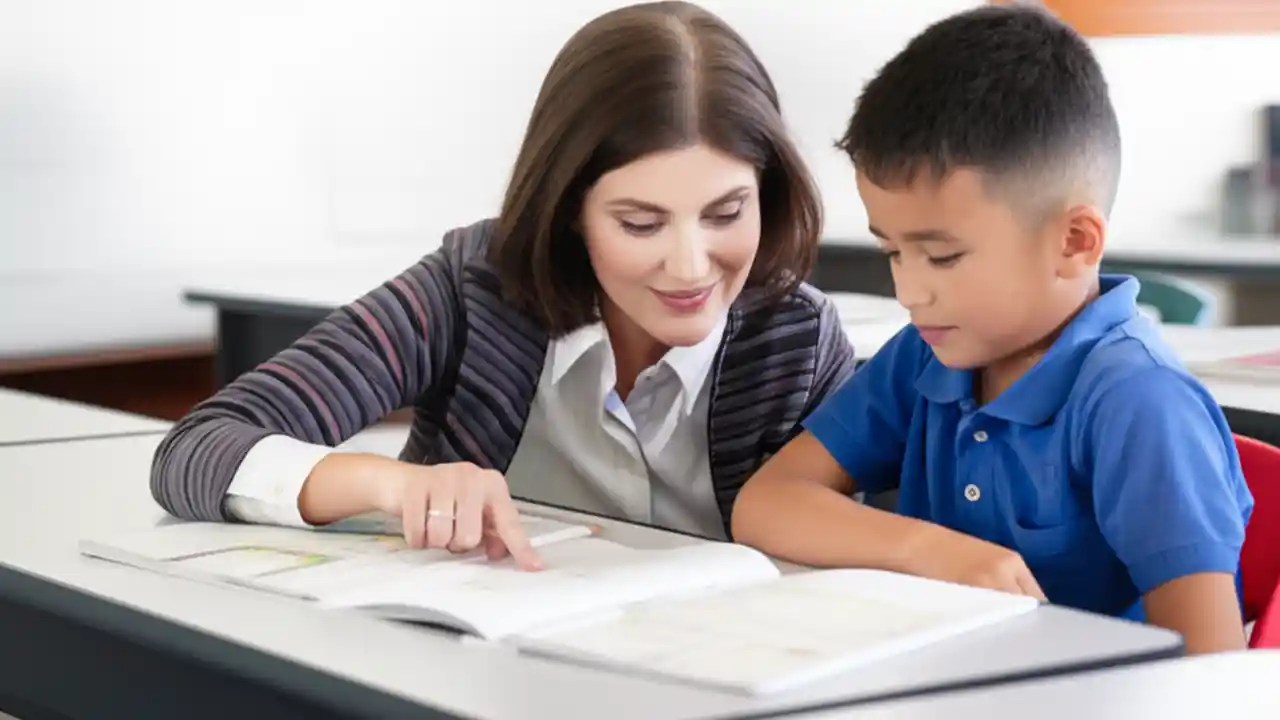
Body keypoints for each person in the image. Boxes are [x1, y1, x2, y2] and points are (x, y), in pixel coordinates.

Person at [151, 0, 856, 571]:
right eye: (640, 223)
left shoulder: (799, 340)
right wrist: (395, 484)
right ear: (569, 210)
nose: (691, 265)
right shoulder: (473, 288)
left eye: (726, 213)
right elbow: (197, 449)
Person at [731, 5, 1253, 653]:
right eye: (894, 252)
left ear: (1074, 241)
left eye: (943, 256)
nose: (908, 291)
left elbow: (1212, 669)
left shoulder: (1139, 404)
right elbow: (765, 503)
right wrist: (932, 551)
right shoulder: (928, 357)